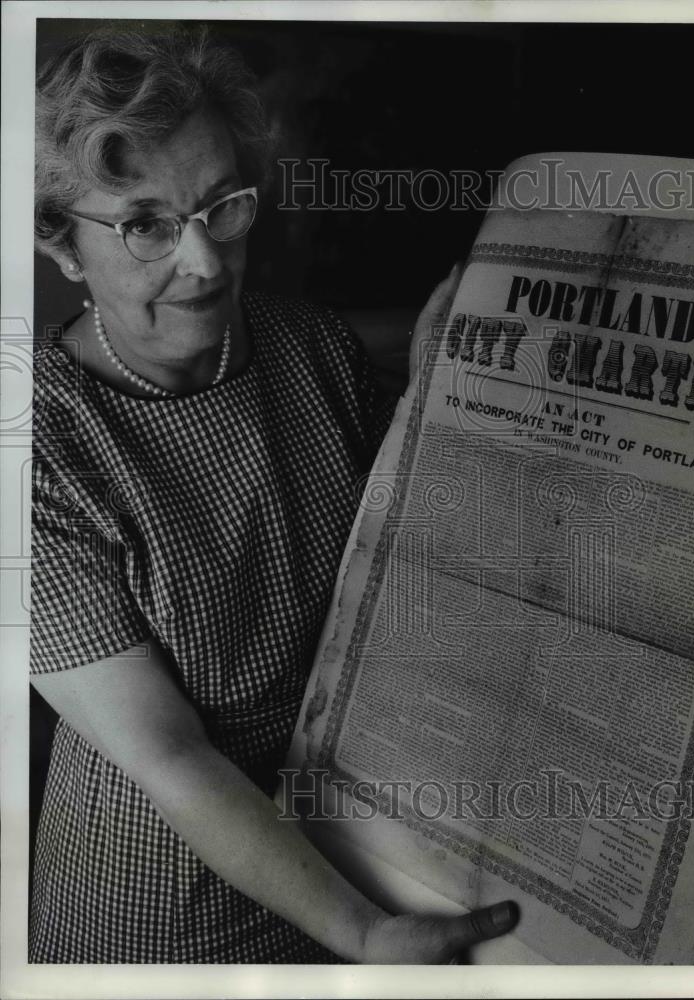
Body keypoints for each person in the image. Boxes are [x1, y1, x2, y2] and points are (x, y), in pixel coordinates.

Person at [29, 24, 519, 964]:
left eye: (223, 207)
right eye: (145, 224)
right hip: (167, 915)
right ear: (59, 245)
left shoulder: (311, 350)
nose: (205, 262)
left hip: (368, 850)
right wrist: (360, 931)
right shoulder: (34, 449)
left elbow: (405, 581)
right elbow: (167, 756)